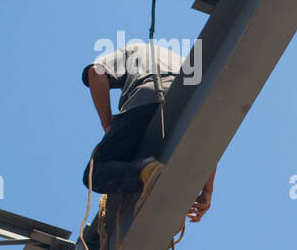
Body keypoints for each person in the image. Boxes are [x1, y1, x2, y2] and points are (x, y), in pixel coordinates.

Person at [82, 39, 216, 222]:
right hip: (189, 106)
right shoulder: (185, 61)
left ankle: (146, 170)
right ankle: (148, 171)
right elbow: (209, 137)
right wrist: (207, 190)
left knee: (96, 171)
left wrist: (107, 124)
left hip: (147, 101)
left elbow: (95, 72)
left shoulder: (136, 49)